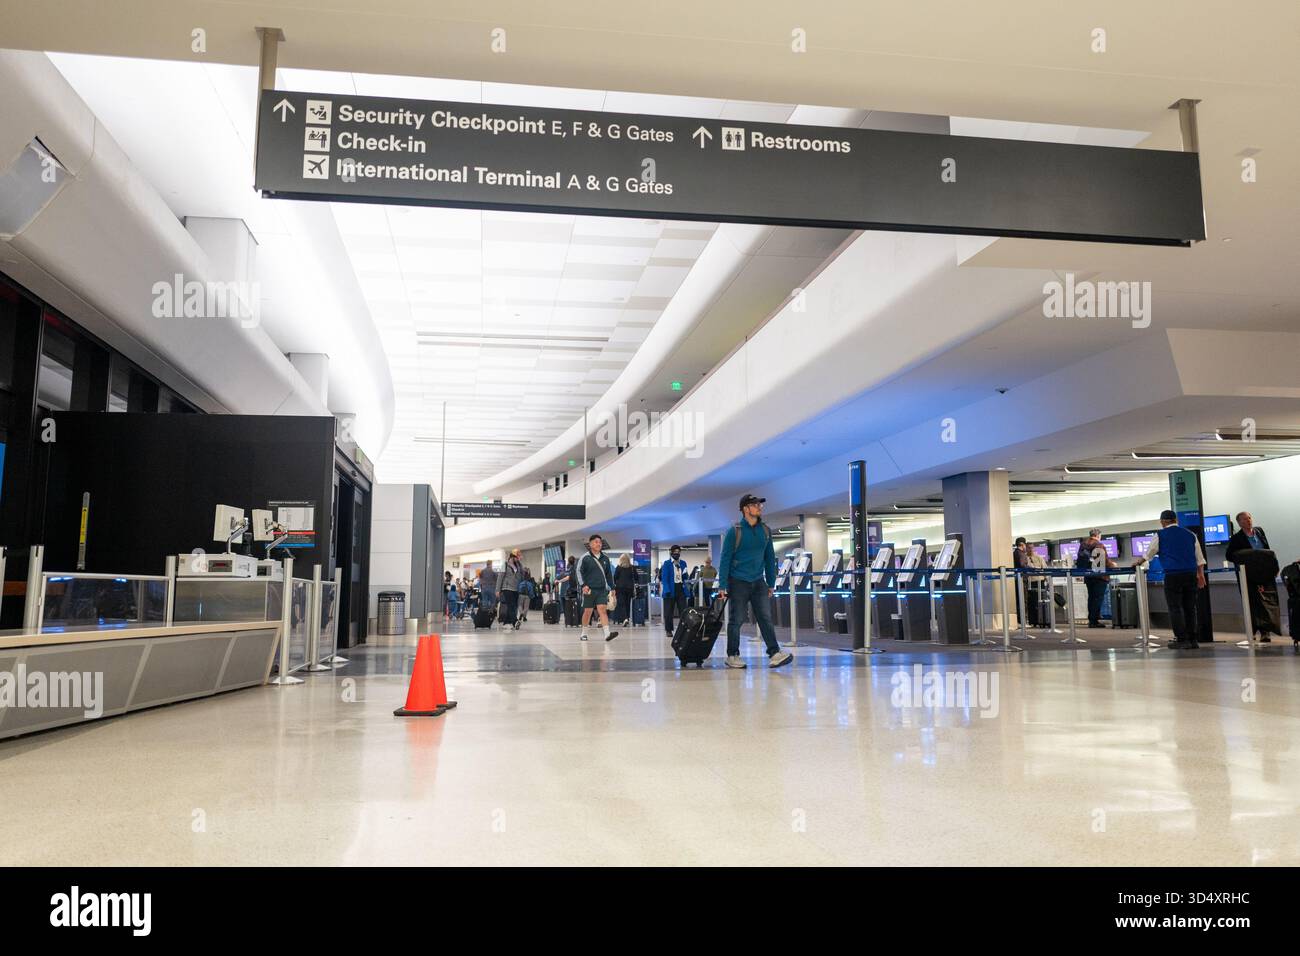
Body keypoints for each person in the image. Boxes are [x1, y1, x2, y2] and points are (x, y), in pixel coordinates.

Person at [717, 494, 793, 669]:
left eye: (760, 505)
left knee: (765, 618)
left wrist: (771, 583)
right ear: (745, 509)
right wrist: (722, 585)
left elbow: (769, 557)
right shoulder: (734, 531)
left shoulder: (765, 531)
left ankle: (774, 653)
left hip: (759, 581)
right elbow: (725, 559)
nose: (759, 507)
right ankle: (732, 655)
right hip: (738, 581)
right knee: (737, 619)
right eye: (755, 504)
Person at [1133, 510, 1207, 649]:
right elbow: (1199, 558)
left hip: (1173, 575)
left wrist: (1138, 562)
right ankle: (1193, 639)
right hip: (1191, 574)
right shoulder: (1190, 535)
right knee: (1190, 608)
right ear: (1176, 520)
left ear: (1163, 521)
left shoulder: (1160, 535)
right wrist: (1201, 576)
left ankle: (1181, 639)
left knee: (1175, 608)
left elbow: (1149, 553)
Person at [1226, 511, 1280, 642]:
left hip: (1265, 573)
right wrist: (1246, 556)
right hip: (1248, 575)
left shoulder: (1259, 532)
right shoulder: (1236, 538)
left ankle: (1266, 631)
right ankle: (1253, 629)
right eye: (1244, 519)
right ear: (1239, 523)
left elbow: (1267, 550)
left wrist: (1274, 567)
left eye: (1249, 518)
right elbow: (1229, 555)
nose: (1248, 520)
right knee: (1252, 602)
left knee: (1267, 602)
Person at [576, 534, 619, 642]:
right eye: (596, 542)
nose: (599, 544)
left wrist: (612, 588)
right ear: (590, 544)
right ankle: (584, 633)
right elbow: (578, 571)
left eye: (600, 542)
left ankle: (607, 634)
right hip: (589, 590)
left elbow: (609, 575)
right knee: (588, 611)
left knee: (602, 611)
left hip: (601, 590)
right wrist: (583, 585)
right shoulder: (585, 557)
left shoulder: (605, 558)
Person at [1075, 529, 1115, 628]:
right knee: (1097, 598)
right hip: (1099, 577)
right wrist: (1112, 565)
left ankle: (1091, 619)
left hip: (1088, 576)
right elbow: (1102, 562)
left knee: (1091, 597)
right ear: (1098, 535)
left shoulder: (1083, 544)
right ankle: (1094, 621)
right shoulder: (1099, 545)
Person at [660, 545, 689, 637]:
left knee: (683, 611)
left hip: (680, 588)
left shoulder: (683, 563)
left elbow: (685, 577)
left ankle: (684, 629)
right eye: (675, 552)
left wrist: (685, 574)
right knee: (668, 612)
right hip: (670, 590)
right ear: (671, 553)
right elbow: (664, 578)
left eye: (678, 552)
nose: (677, 554)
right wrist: (667, 590)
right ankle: (668, 630)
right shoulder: (667, 564)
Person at [498, 549, 523, 628]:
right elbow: (500, 577)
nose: (518, 559)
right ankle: (515, 622)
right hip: (507, 588)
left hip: (516, 588)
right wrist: (497, 590)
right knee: (511, 605)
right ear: (512, 556)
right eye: (517, 557)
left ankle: (506, 622)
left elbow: (520, 577)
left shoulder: (519, 565)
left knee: (514, 606)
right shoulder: (504, 565)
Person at [613, 553, 637, 625]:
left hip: (620, 588)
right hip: (629, 588)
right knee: (627, 603)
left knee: (621, 603)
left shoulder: (618, 567)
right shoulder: (632, 567)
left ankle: (625, 618)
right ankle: (627, 617)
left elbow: (615, 577)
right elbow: (636, 577)